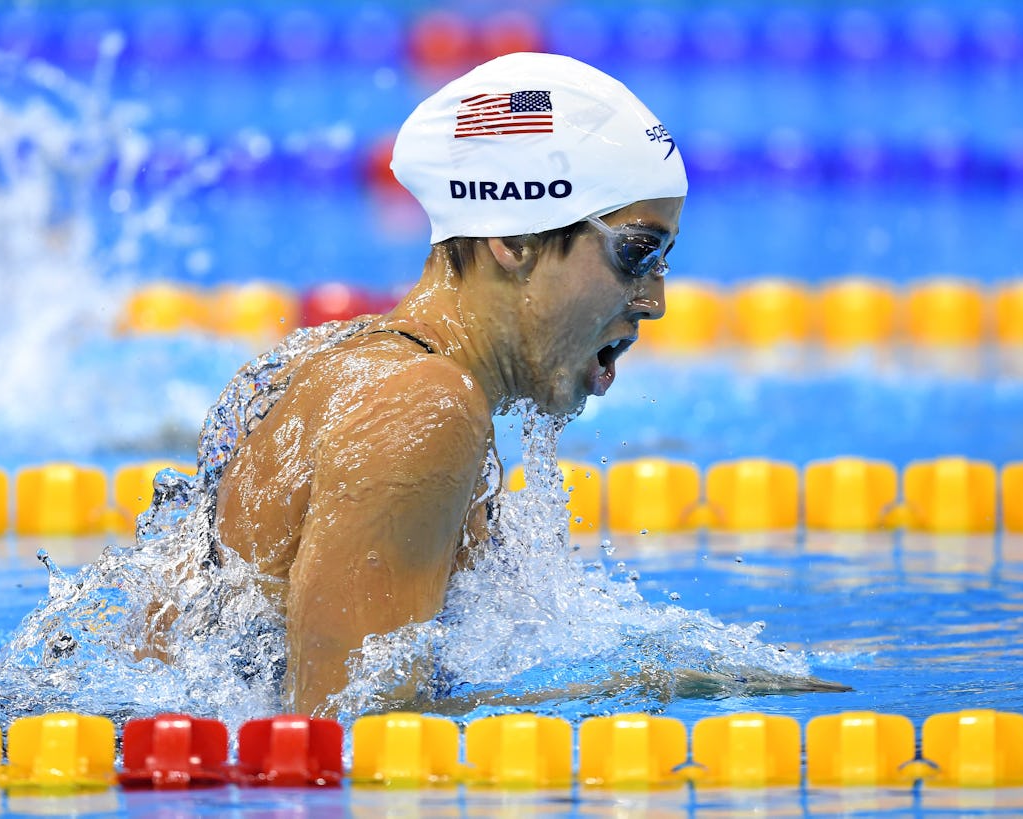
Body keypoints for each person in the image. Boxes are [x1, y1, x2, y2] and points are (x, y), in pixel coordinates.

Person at [214, 53, 686, 715]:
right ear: (514, 238)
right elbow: (352, 732)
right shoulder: (428, 405)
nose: (654, 300)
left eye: (665, 260)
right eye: (636, 252)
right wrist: (641, 687)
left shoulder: (370, 364)